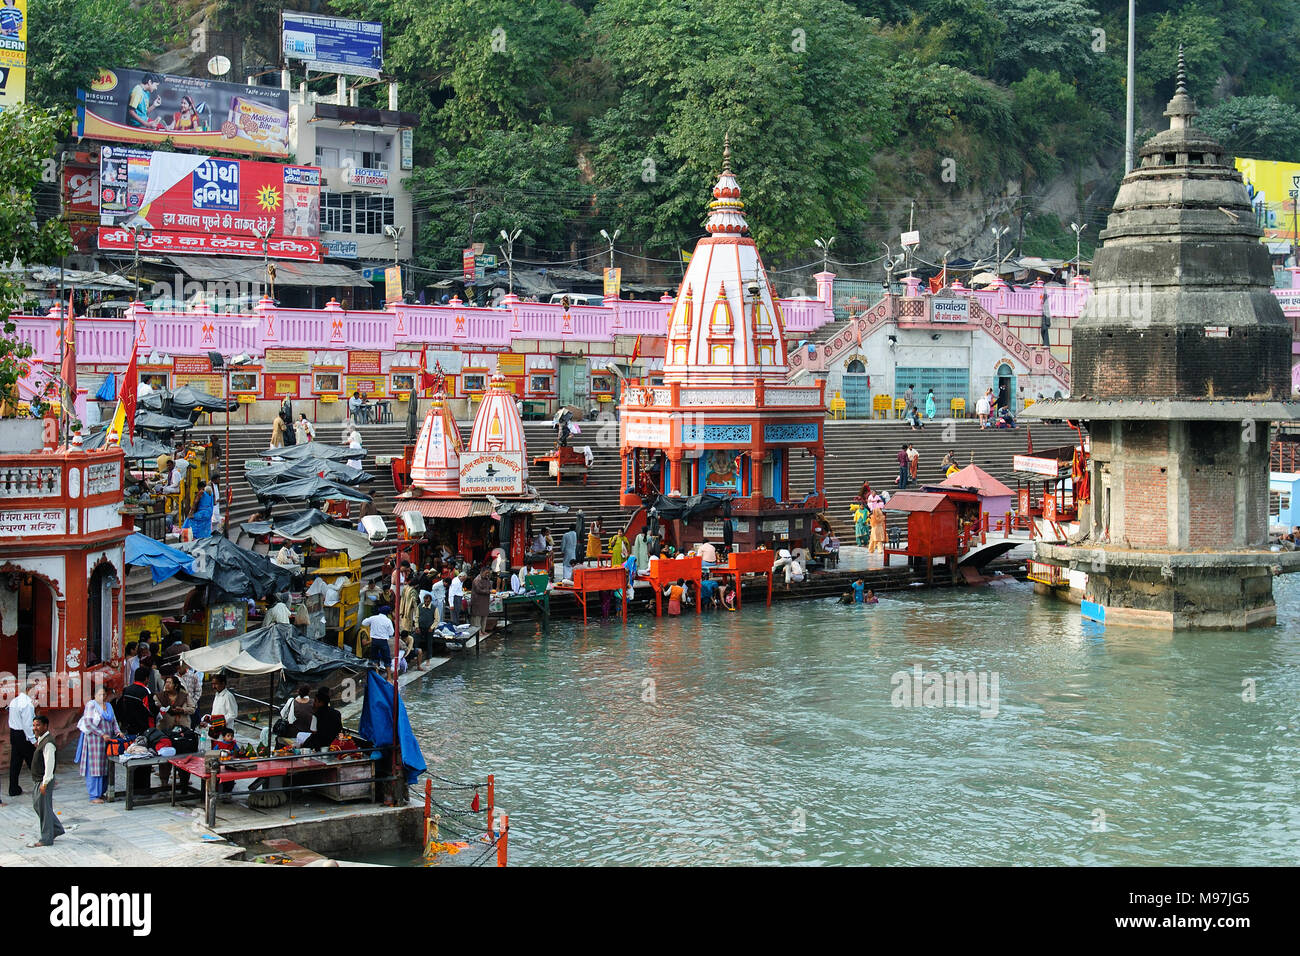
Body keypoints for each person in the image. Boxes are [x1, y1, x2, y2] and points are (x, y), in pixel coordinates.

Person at [75, 685, 121, 803]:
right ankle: (94, 795)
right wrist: (102, 734)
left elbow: (114, 721)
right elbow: (89, 723)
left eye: (104, 694)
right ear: (94, 696)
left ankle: (102, 792)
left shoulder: (109, 706)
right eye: (99, 694)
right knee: (95, 768)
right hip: (94, 741)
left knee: (106, 767)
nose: (102, 697)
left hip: (107, 741)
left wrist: (118, 732)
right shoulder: (91, 705)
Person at [27, 715, 64, 848]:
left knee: (44, 809)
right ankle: (57, 829)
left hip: (43, 780)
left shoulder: (48, 743)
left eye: (38, 725)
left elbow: (49, 764)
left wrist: (45, 783)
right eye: (34, 725)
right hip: (40, 780)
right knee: (40, 806)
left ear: (45, 726)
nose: (35, 728)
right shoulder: (42, 740)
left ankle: (47, 838)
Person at [156, 676, 193, 789]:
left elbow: (193, 708)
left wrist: (182, 710)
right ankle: (164, 781)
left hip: (182, 731)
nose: (167, 685)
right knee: (165, 757)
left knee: (183, 756)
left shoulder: (184, 696)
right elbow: (155, 708)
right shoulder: (159, 697)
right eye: (166, 682)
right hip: (166, 730)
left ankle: (183, 782)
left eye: (169, 683)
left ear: (176, 685)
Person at [7, 677, 37, 798]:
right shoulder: (27, 704)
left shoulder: (14, 701)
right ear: (28, 689)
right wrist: (33, 740)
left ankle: (13, 788)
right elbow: (28, 724)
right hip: (23, 735)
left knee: (15, 763)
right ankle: (42, 784)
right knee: (33, 760)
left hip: (14, 733)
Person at [202, 673, 238, 741]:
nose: (213, 686)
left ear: (223, 683)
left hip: (225, 732)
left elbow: (233, 714)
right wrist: (209, 719)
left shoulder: (228, 696)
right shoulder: (217, 695)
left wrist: (218, 722)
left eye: (216, 684)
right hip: (214, 731)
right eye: (212, 684)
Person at [470, 566, 493, 633]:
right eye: (486, 573)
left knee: (484, 616)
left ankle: (483, 630)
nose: (487, 574)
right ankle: (478, 631)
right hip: (478, 601)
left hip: (485, 601)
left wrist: (490, 589)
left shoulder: (487, 579)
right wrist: (488, 591)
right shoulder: (477, 580)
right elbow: (478, 590)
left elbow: (489, 587)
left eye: (488, 573)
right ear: (482, 572)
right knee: (478, 617)